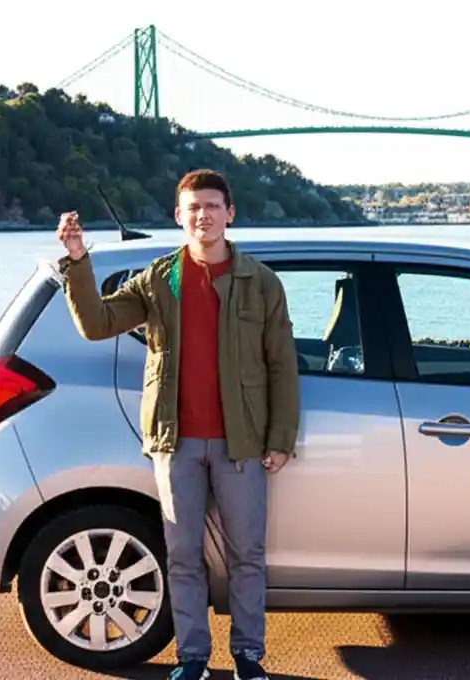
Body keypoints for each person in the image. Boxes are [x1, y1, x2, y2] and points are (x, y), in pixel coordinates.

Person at [54, 169, 300, 680]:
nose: (202, 215)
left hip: (242, 442)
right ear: (178, 216)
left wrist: (280, 439)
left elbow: (282, 364)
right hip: (176, 442)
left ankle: (249, 657)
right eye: (193, 207)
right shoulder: (159, 279)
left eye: (212, 206)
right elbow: (97, 324)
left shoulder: (261, 282)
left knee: (247, 557)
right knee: (183, 555)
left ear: (229, 213)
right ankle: (193, 660)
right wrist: (79, 261)